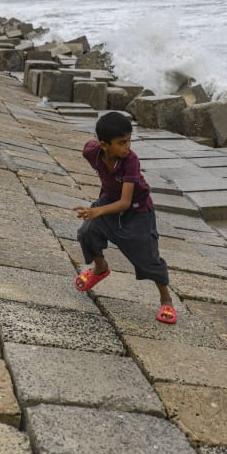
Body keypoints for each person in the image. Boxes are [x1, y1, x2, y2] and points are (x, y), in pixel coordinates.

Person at [73, 111, 176, 324]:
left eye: (129, 140)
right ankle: (100, 268)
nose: (127, 146)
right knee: (86, 232)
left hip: (138, 211)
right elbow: (89, 145)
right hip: (109, 200)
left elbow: (125, 203)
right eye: (121, 142)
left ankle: (166, 299)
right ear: (104, 145)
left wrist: (96, 211)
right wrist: (98, 210)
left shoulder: (131, 160)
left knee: (148, 257)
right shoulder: (92, 152)